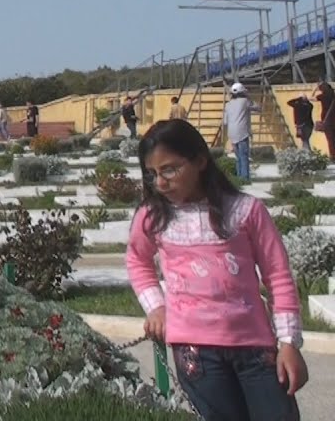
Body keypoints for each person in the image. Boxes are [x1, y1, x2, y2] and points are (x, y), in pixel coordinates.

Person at [127, 119, 307, 420]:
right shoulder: (152, 217)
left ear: (200, 160)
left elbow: (278, 275)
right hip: (196, 354)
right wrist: (156, 307)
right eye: (152, 174)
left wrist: (289, 343)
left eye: (170, 169)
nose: (160, 182)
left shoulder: (246, 211)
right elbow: (137, 261)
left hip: (255, 350)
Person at [225, 82, 261, 180]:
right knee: (244, 156)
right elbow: (258, 108)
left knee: (238, 158)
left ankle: (239, 176)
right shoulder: (245, 101)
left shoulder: (228, 104)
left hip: (231, 133)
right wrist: (249, 96)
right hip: (242, 133)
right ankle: (244, 178)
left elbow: (225, 121)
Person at [313, 82, 334, 157]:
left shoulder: (322, 96)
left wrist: (315, 90)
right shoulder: (333, 95)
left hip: (327, 120)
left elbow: (311, 98)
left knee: (330, 140)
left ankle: (333, 156)